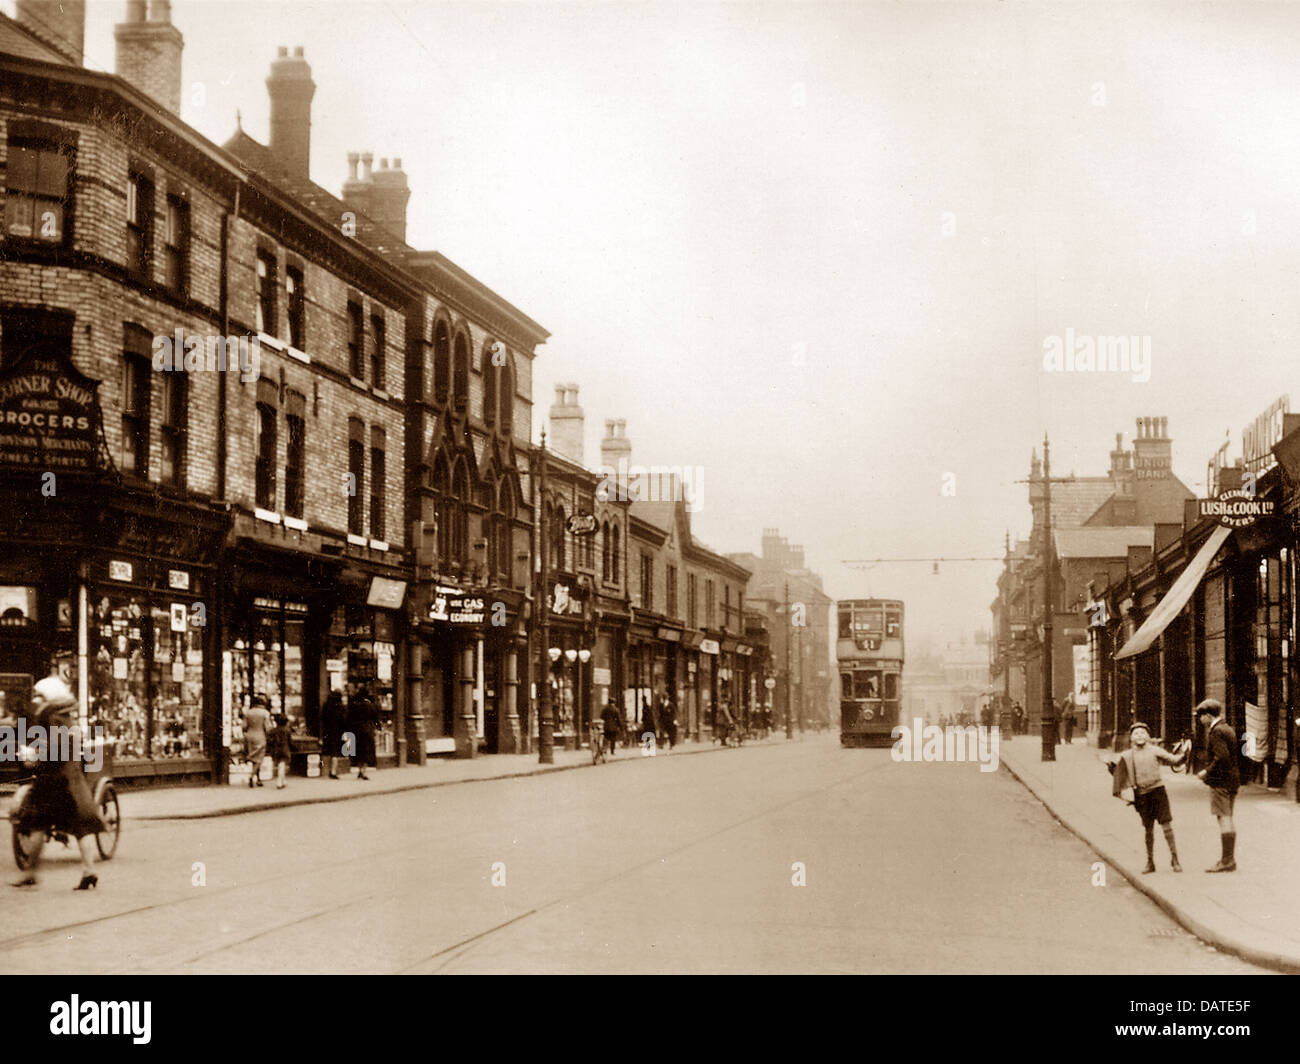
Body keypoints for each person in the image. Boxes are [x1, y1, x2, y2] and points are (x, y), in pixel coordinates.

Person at [12, 676, 105, 890]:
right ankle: (89, 871)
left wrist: (34, 755)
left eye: (40, 695)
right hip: (72, 781)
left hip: (53, 782)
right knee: (82, 828)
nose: (36, 699)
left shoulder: (51, 716)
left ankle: (30, 873)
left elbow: (55, 750)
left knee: (37, 825)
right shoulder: (65, 715)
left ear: (49, 697)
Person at [1111, 722, 1184, 873]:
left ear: (1148, 736)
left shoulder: (1155, 750)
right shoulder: (1126, 755)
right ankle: (1150, 862)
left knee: (1167, 826)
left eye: (1143, 733)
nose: (1139, 735)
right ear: (1131, 737)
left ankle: (1175, 858)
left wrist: (1184, 754)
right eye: (1136, 733)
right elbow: (1119, 775)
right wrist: (1112, 768)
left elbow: (1173, 760)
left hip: (1158, 792)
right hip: (1142, 796)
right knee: (1148, 829)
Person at [1195, 699, 1240, 873]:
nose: (1199, 720)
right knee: (1228, 817)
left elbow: (1221, 757)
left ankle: (1227, 860)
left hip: (1221, 782)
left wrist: (1206, 772)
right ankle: (1229, 859)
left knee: (1224, 818)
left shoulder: (1216, 732)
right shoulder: (1227, 728)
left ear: (1207, 715)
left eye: (1200, 716)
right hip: (1232, 781)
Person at [347, 683, 378, 780]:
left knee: (358, 751)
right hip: (367, 731)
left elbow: (349, 717)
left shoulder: (354, 704)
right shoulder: (369, 705)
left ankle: (359, 770)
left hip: (356, 730)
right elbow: (375, 718)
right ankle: (363, 772)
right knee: (366, 751)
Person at [243, 695, 271, 788]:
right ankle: (251, 776)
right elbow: (268, 728)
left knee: (254, 758)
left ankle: (258, 779)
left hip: (250, 735)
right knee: (259, 759)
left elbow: (244, 726)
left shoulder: (248, 712)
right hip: (260, 736)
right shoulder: (265, 713)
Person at [321, 688, 346, 779]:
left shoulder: (326, 705)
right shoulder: (341, 707)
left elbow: (322, 718)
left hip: (327, 731)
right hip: (337, 732)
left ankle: (324, 771)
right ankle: (333, 772)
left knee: (326, 752)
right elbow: (343, 721)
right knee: (335, 753)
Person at [268, 714, 292, 790]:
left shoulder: (273, 730)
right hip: (284, 749)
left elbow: (269, 740)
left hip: (276, 750)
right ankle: (279, 781)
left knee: (280, 765)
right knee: (282, 765)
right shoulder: (287, 730)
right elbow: (290, 741)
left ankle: (283, 780)